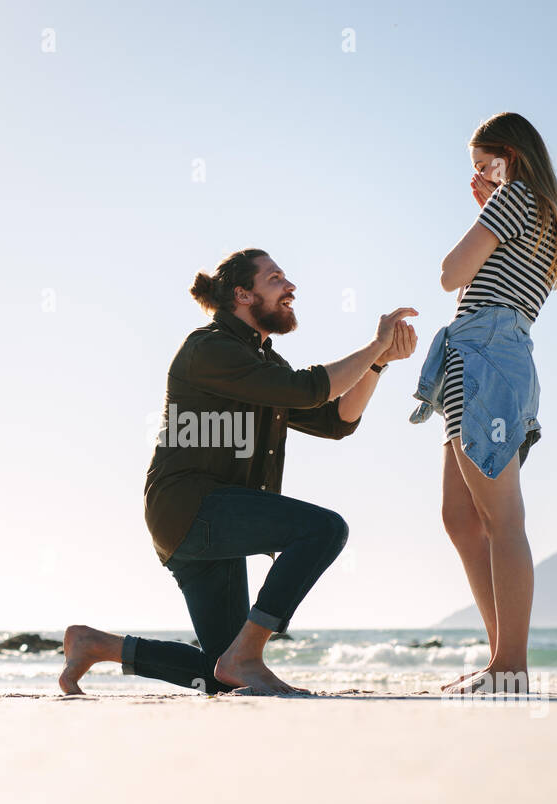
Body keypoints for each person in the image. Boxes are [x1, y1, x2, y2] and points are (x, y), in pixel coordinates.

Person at [61, 249, 417, 695]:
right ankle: (248, 654)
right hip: (192, 508)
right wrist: (375, 345)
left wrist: (378, 363)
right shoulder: (209, 349)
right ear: (242, 295)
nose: (290, 287)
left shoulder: (263, 361)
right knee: (324, 530)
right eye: (275, 278)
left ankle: (96, 646)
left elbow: (335, 421)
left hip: (204, 519)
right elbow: (309, 391)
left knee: (220, 675)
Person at [411, 112, 557, 694]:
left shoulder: (515, 200)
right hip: (483, 353)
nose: (480, 175)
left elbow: (450, 273)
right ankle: (500, 660)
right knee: (461, 517)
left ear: (513, 154)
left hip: (485, 350)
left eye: (487, 164)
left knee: (502, 519)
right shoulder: (539, 210)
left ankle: (510, 667)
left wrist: (486, 207)